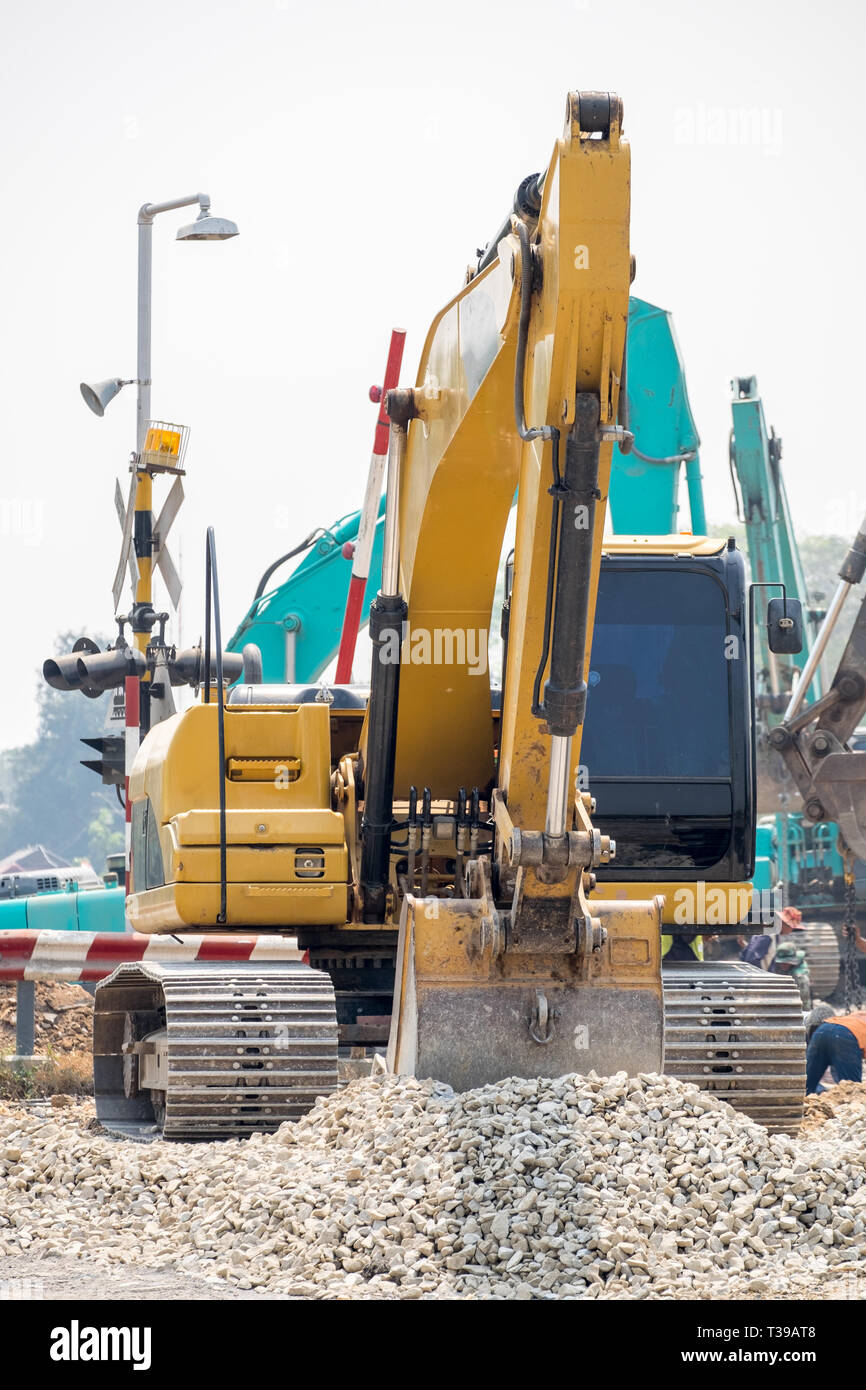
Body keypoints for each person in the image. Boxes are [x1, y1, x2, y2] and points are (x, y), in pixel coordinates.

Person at [806, 1010, 866, 1093]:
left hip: (822, 1030)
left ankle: (798, 1102)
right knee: (852, 1089)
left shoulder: (859, 1015)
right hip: (846, 1036)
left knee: (806, 1083)